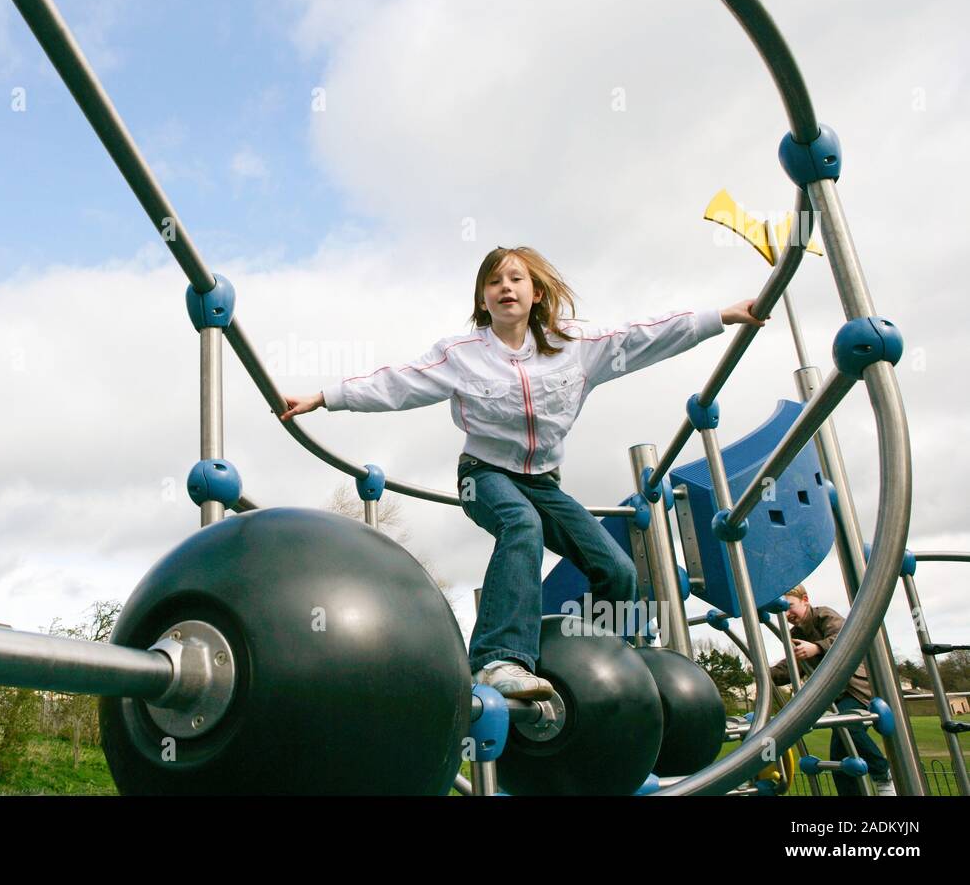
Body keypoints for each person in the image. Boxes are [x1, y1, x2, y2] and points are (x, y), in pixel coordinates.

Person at [279, 245, 764, 700]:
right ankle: (497, 659)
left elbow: (644, 337)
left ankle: (616, 661)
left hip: (544, 482)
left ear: (537, 294)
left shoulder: (575, 347)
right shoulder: (463, 354)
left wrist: (720, 316)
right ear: (483, 299)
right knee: (521, 524)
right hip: (483, 475)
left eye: (516, 278)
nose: (505, 287)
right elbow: (400, 382)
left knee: (616, 569)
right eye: (494, 282)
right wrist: (326, 398)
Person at [770, 584, 895, 795]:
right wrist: (766, 674)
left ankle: (883, 775)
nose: (788, 614)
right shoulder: (795, 633)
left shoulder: (824, 615)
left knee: (847, 726)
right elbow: (793, 665)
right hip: (837, 697)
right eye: (784, 610)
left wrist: (816, 647)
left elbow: (848, 638)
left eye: (790, 606)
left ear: (805, 599)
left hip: (858, 689)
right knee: (840, 756)